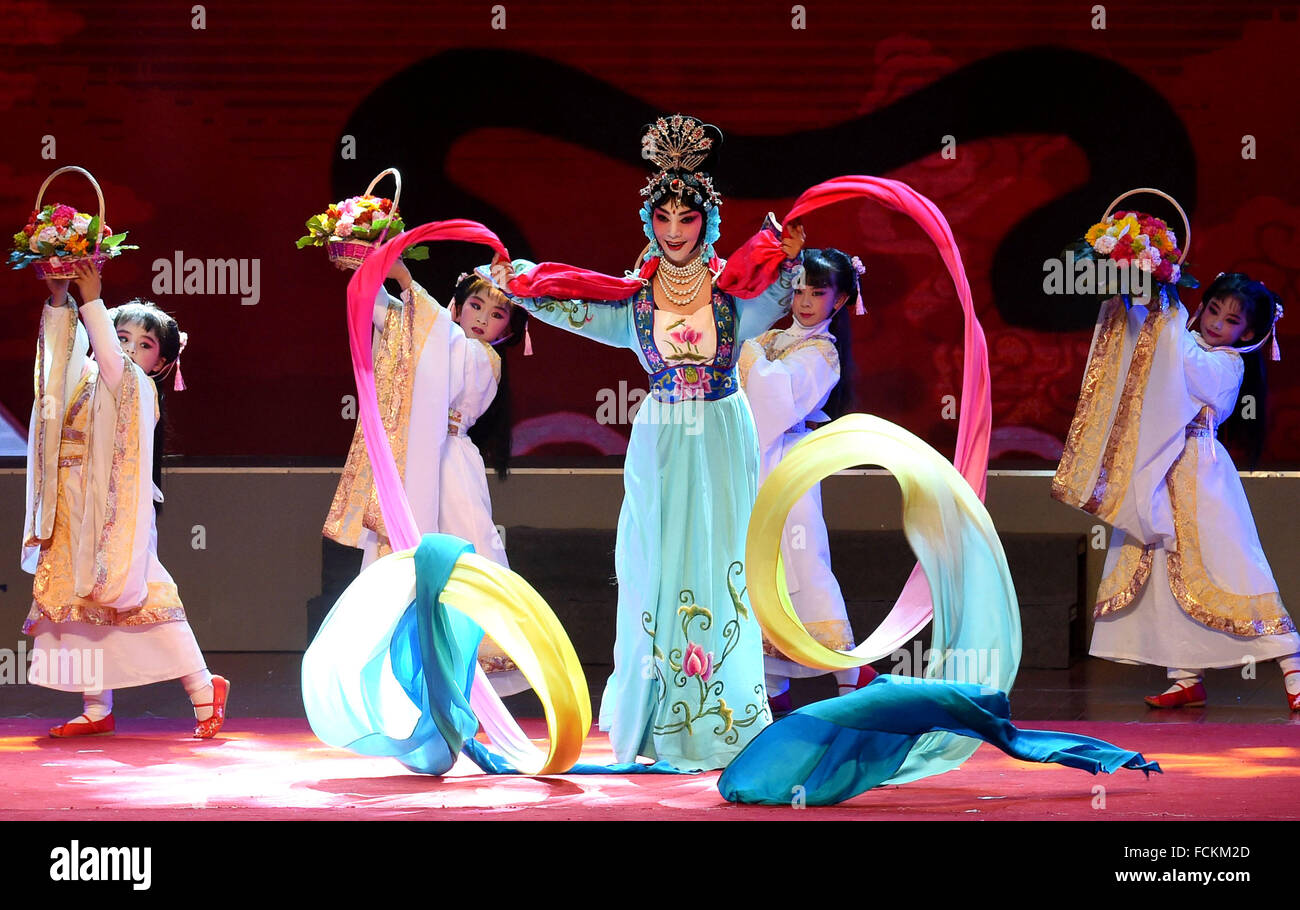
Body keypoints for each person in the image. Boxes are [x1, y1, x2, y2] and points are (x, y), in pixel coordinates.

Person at [492, 114, 804, 769]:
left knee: (724, 569)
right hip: (663, 440)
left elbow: (781, 295)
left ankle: (723, 715)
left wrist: (792, 253)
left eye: (685, 220)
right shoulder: (633, 305)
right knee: (655, 572)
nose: (673, 232)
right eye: (662, 220)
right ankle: (659, 719)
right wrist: (521, 283)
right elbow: (571, 303)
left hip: (720, 436)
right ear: (649, 224)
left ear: (706, 222)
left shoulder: (732, 298)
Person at [1053, 269, 1299, 710]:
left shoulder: (1226, 364)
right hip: (1156, 470)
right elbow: (1147, 352)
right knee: (1163, 574)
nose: (1215, 322)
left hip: (1201, 473)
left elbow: (1182, 362)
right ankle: (1184, 676)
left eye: (1230, 320)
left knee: (1236, 567)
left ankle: (1293, 667)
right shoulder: (1179, 343)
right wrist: (1137, 301)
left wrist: (1166, 305)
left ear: (1251, 334)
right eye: (1213, 309)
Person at [21, 261, 228, 738]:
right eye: (123, 336)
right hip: (72, 507)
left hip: (116, 513)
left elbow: (114, 365)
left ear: (162, 363)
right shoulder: (84, 377)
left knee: (147, 596)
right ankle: (97, 708)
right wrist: (59, 302)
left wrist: (91, 297)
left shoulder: (136, 388)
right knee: (81, 604)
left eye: (145, 344)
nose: (131, 349)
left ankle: (204, 689)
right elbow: (56, 363)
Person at [324, 258, 531, 694]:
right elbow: (399, 325)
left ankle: (467, 679)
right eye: (475, 306)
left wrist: (404, 280)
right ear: (458, 307)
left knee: (463, 560)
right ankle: (404, 676)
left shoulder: (482, 359)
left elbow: (435, 338)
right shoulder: (443, 335)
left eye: (496, 315)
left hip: (451, 469)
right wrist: (370, 268)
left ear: (507, 331)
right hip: (417, 459)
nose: (482, 320)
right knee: (403, 563)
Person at [738, 247, 877, 715]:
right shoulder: (774, 339)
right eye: (798, 290)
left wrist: (752, 351)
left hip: (791, 459)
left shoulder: (822, 351)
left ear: (839, 301)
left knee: (802, 558)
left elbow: (775, 397)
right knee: (761, 562)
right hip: (756, 458)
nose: (803, 301)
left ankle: (848, 669)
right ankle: (773, 685)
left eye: (817, 293)